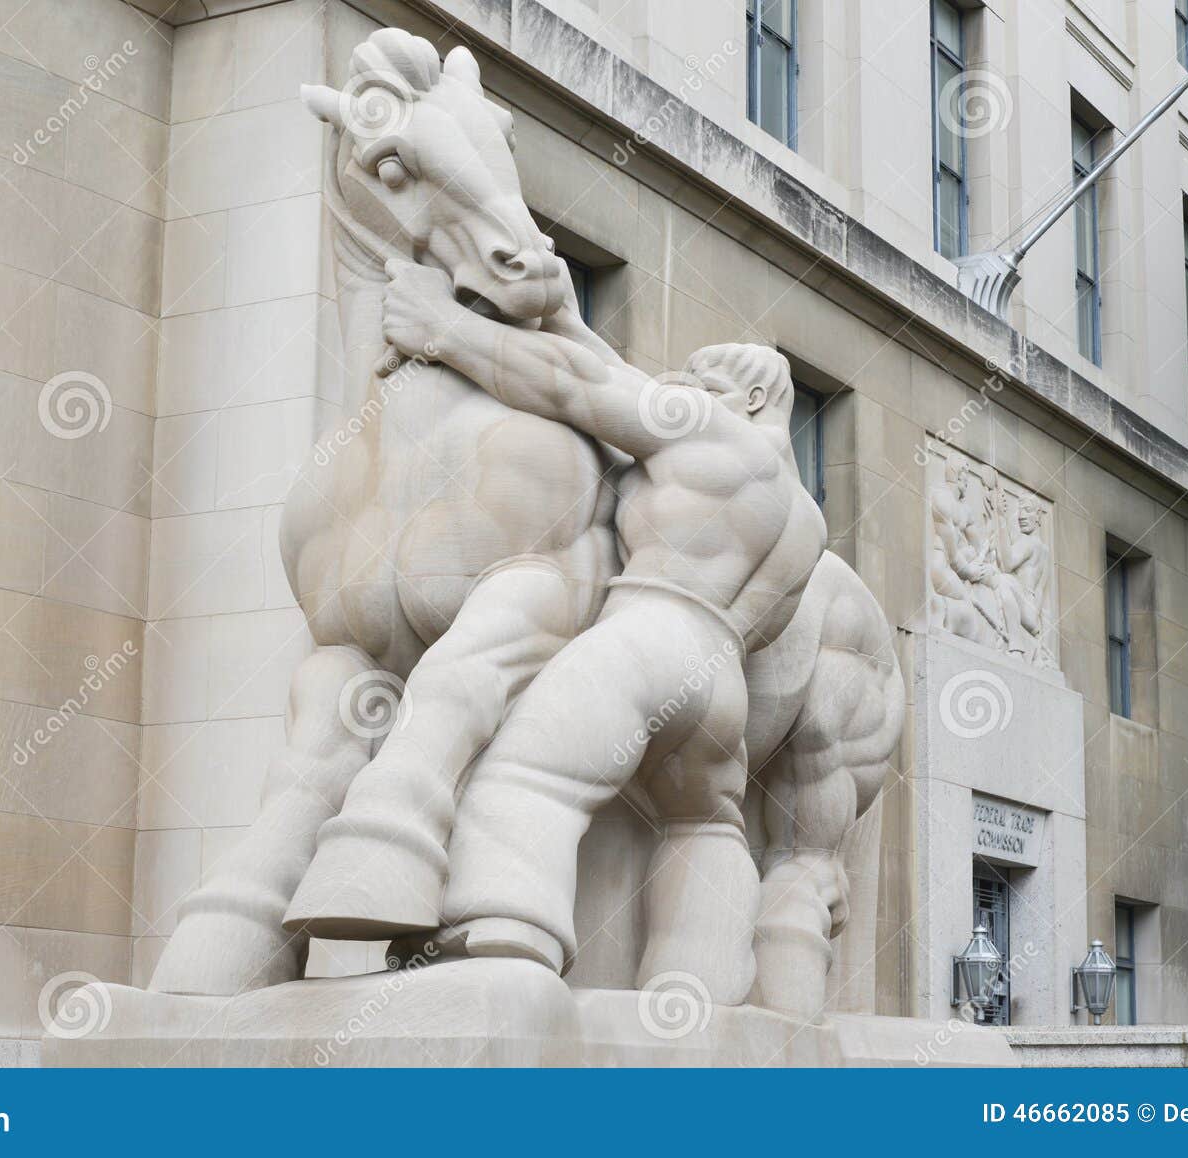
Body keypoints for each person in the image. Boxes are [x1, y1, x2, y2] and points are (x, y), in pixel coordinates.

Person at [287, 257, 827, 1001]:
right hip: (718, 675)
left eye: (702, 380)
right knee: (705, 822)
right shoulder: (801, 516)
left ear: (754, 395)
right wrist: (570, 318)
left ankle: (500, 926)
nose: (682, 388)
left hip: (645, 639)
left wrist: (447, 329)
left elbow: (578, 390)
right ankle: (694, 996)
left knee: (528, 771)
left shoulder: (706, 435)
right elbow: (619, 384)